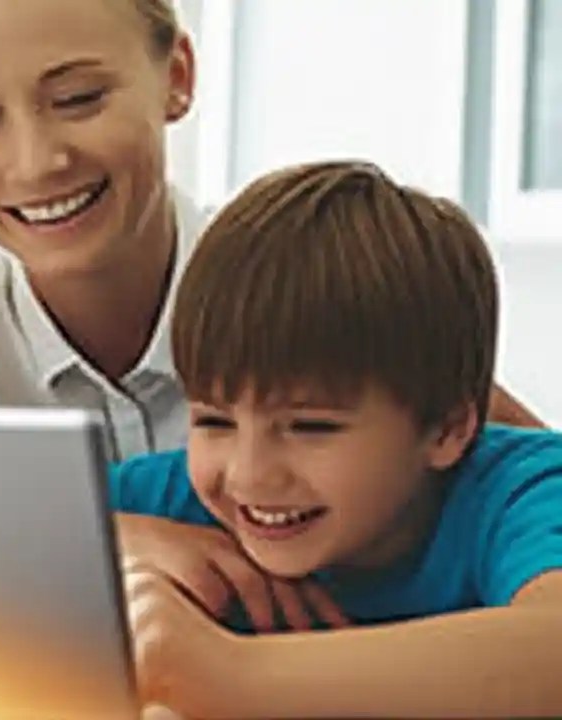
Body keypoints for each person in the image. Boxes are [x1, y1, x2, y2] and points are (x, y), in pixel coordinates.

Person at [0, 0, 543, 639]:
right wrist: (102, 542)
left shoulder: (287, 288)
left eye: (80, 98)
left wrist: (230, 675)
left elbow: (490, 452)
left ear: (176, 77)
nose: (35, 160)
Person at [111, 161, 562, 719]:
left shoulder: (523, 490)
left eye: (310, 427)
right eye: (213, 422)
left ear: (447, 427)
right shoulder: (177, 504)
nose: (250, 475)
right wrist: (120, 535)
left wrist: (225, 672)